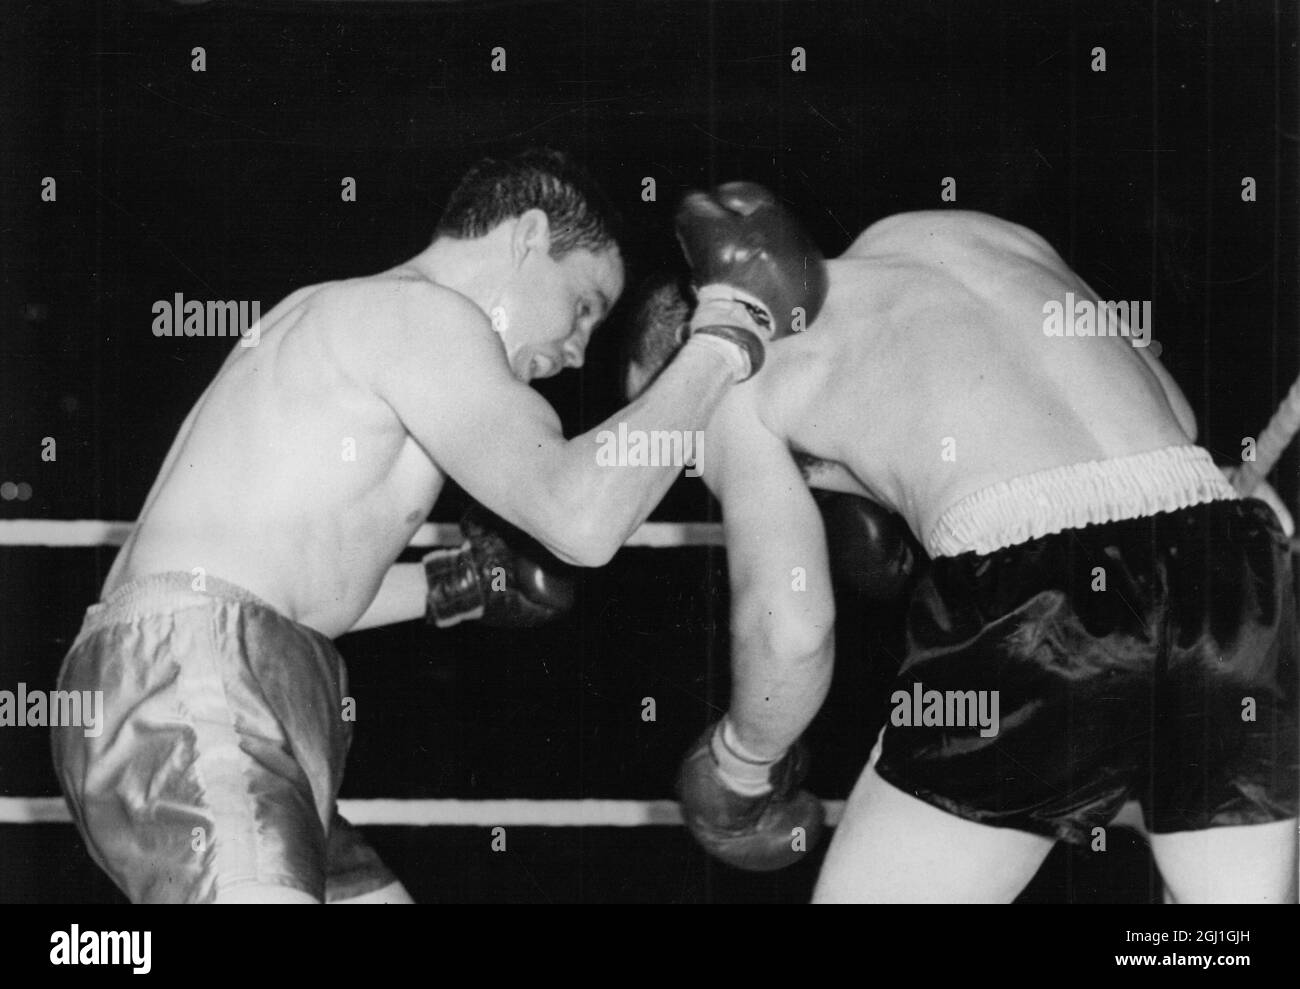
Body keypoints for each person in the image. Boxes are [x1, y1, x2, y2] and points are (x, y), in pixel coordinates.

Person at [52, 150, 819, 904]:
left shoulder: (360, 323)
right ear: (526, 236)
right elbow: (581, 517)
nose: (577, 349)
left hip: (224, 677)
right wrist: (728, 330)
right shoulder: (421, 316)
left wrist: (457, 584)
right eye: (582, 303)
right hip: (195, 683)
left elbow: (299, 590)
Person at [629, 202, 1298, 902]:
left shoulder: (729, 375)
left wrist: (740, 766)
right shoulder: (957, 232)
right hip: (1224, 563)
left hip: (1039, 606)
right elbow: (1176, 415)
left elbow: (790, 630)